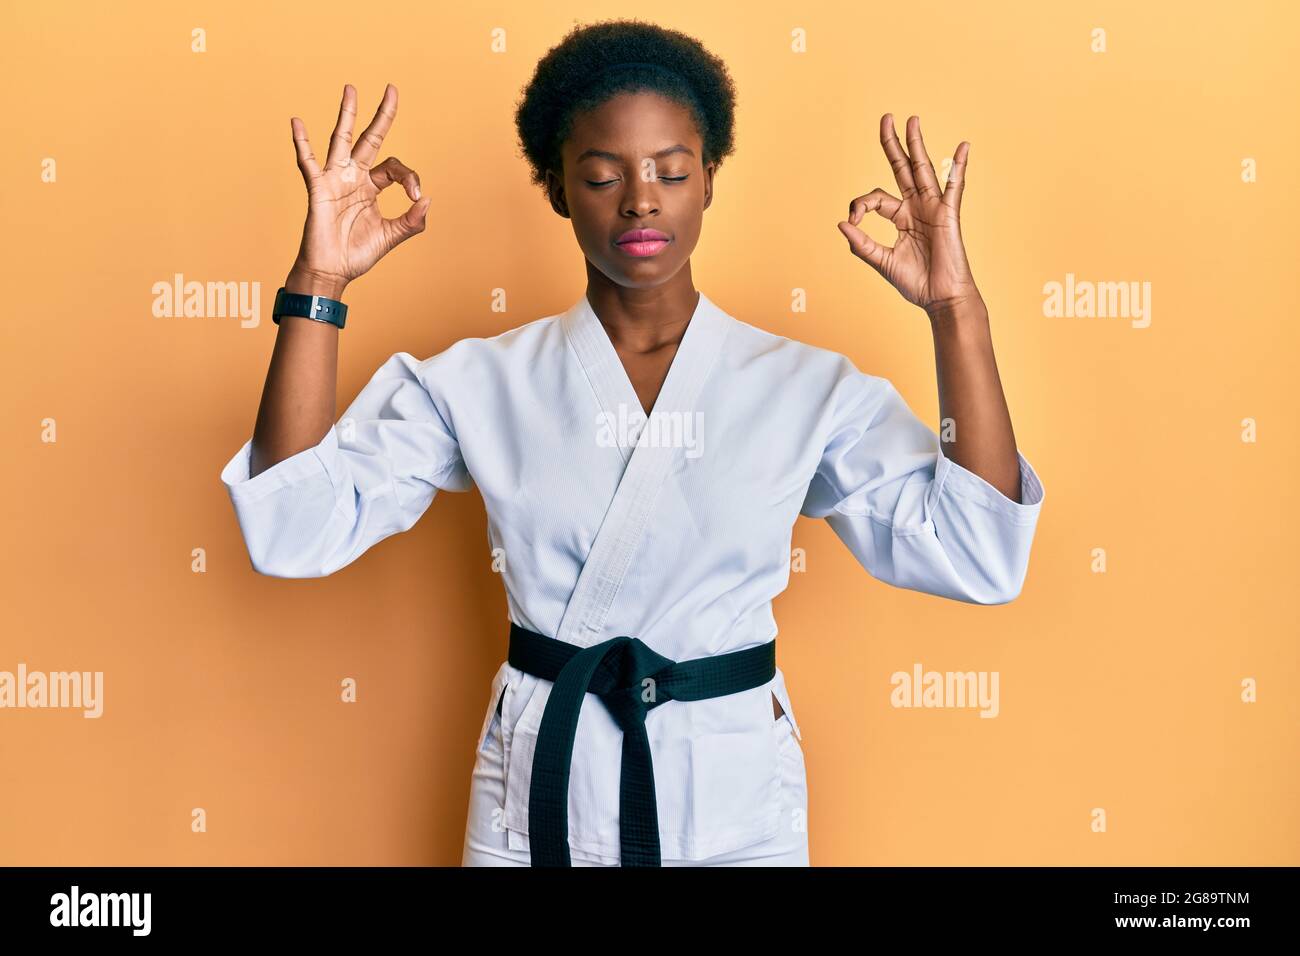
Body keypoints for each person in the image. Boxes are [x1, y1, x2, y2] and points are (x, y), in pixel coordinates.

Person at [219, 19, 1045, 867]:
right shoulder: (477, 382)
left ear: (710, 181)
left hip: (738, 809)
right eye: (603, 174)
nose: (641, 199)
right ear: (556, 189)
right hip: (537, 801)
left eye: (671, 171)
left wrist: (957, 312)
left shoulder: (807, 389)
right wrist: (316, 284)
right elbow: (294, 529)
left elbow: (978, 550)